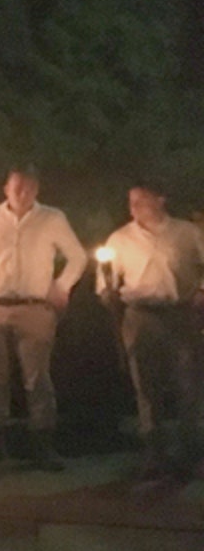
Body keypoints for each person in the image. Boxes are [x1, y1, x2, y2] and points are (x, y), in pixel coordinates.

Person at [0, 165, 86, 471]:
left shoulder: (52, 218)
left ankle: (42, 444)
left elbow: (77, 256)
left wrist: (61, 286)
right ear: (6, 189)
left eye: (28, 188)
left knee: (37, 377)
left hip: (35, 307)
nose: (22, 193)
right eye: (17, 188)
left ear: (37, 190)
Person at [98, 184, 204, 480]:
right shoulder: (120, 239)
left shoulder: (187, 233)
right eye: (131, 201)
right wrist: (107, 292)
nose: (135, 207)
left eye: (142, 200)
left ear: (161, 199)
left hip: (180, 315)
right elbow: (106, 280)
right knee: (146, 385)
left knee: (188, 385)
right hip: (140, 317)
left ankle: (192, 452)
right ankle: (154, 452)